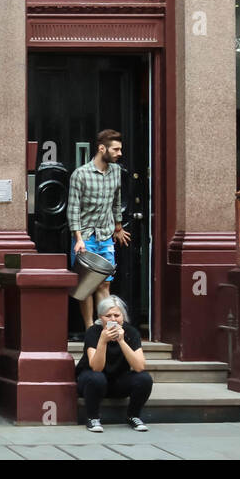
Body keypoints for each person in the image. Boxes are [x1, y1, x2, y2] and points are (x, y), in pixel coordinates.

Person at [68, 128, 129, 334]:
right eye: (116, 149)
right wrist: (78, 238)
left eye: (120, 149)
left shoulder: (117, 172)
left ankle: (105, 328)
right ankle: (89, 331)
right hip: (85, 238)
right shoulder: (81, 174)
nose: (119, 153)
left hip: (106, 237)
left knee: (104, 285)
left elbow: (117, 200)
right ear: (101, 148)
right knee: (85, 287)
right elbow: (73, 208)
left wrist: (118, 227)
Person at [77, 295, 152, 432]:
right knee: (96, 378)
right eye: (108, 316)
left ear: (123, 316)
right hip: (92, 381)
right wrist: (103, 341)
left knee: (144, 378)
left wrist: (121, 341)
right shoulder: (93, 332)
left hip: (118, 380)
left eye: (117, 315)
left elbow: (139, 366)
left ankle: (133, 416)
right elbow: (96, 367)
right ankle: (93, 418)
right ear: (100, 317)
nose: (113, 319)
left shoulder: (131, 332)